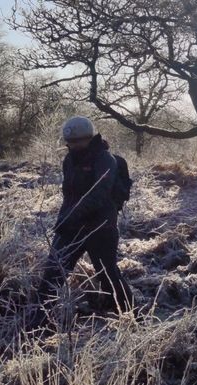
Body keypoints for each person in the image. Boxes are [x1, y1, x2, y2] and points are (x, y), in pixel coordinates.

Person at [29, 116, 134, 330]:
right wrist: (63, 220)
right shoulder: (69, 160)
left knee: (107, 273)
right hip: (71, 226)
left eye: (78, 141)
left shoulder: (106, 160)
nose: (73, 146)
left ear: (89, 137)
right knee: (53, 271)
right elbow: (70, 196)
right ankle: (36, 323)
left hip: (100, 227)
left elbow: (99, 195)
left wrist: (71, 218)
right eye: (70, 142)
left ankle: (131, 317)